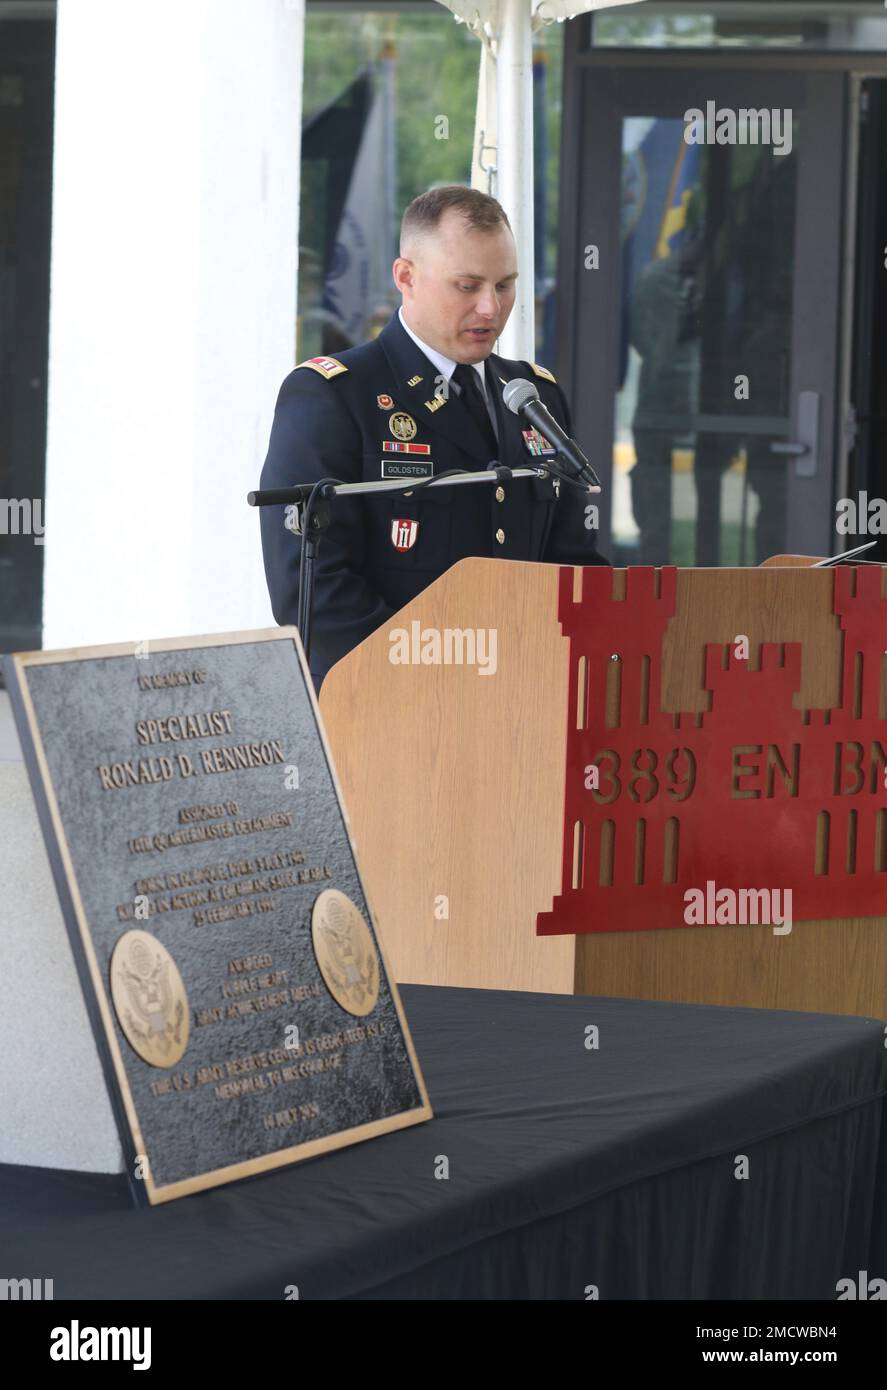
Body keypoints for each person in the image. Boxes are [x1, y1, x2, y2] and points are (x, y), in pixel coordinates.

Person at [259, 184, 607, 686]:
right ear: (407, 277)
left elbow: (573, 566)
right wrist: (444, 684)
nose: (491, 308)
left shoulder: (534, 396)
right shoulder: (335, 395)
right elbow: (312, 593)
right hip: (390, 709)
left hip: (525, 705)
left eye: (505, 285)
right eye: (467, 286)